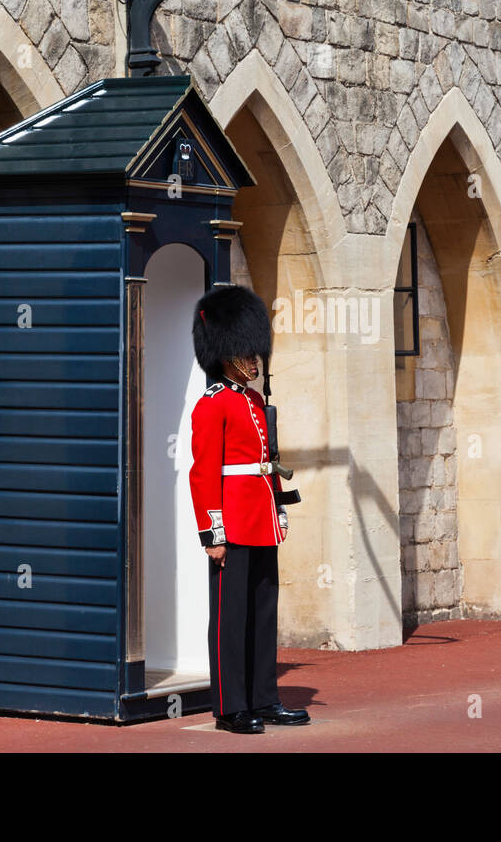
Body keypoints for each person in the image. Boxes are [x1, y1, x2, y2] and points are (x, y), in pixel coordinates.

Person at [188, 284, 311, 734]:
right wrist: (213, 532)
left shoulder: (255, 401)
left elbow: (266, 462)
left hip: (260, 518)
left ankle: (264, 698)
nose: (254, 361)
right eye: (246, 352)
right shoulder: (213, 404)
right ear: (226, 353)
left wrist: (277, 511)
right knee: (230, 618)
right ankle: (230, 707)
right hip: (232, 522)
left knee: (262, 612)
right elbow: (203, 474)